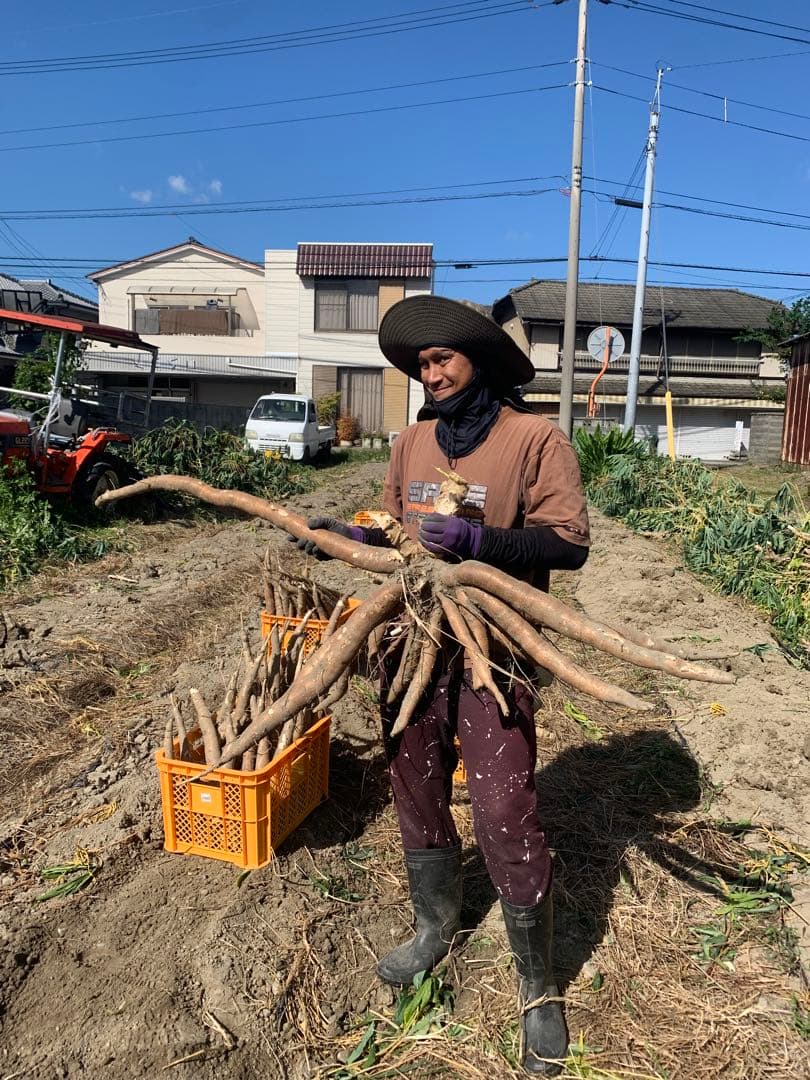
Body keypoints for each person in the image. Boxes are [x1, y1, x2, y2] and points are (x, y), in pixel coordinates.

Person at [296, 295, 590, 1077]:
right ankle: (436, 926)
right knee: (414, 782)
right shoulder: (413, 441)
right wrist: (350, 538)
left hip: (494, 646)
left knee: (502, 803)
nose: (429, 374)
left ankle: (539, 986)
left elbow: (568, 546)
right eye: (421, 364)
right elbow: (392, 525)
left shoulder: (535, 439)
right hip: (411, 640)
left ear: (481, 363)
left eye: (441, 361)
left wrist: (479, 542)